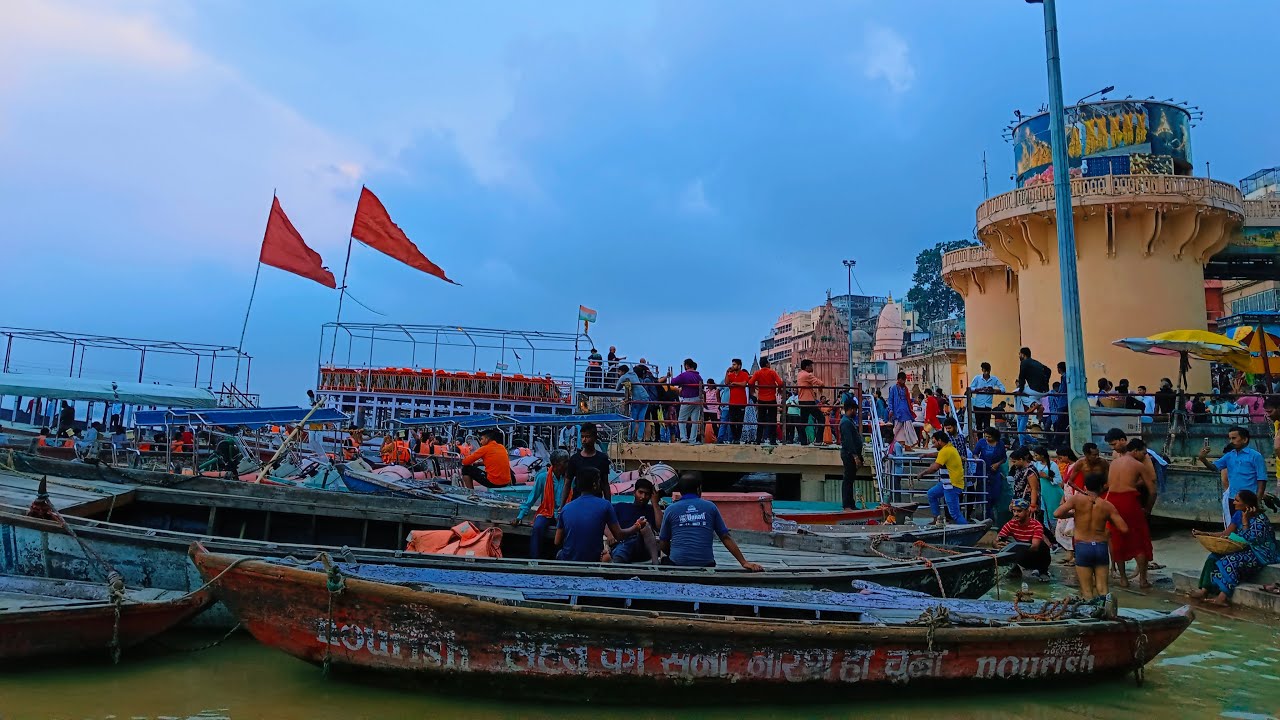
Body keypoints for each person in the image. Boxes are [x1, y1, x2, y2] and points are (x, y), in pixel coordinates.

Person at [1191, 489, 1279, 606]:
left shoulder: (1261, 520)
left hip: (1262, 554)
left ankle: (1222, 597)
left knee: (1229, 561)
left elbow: (1250, 539)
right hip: (1245, 549)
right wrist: (1204, 533)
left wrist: (1245, 521)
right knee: (1213, 557)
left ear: (1247, 505)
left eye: (1237, 500)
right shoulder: (1239, 514)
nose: (1234, 503)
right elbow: (1226, 533)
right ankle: (1204, 590)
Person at [659, 474, 763, 571]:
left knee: (663, 557)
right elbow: (725, 537)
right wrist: (743, 562)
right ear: (699, 489)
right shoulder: (710, 507)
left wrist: (675, 554)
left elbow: (663, 542)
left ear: (680, 491)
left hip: (677, 564)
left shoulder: (670, 509)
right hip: (706, 564)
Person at [1053, 471, 1127, 600]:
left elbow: (1057, 513)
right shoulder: (1107, 505)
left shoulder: (1077, 500)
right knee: (1103, 589)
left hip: (1083, 546)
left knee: (1087, 591)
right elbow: (1124, 528)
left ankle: (1091, 615)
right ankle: (1106, 613)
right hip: (1100, 547)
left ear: (1085, 486)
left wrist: (1074, 514)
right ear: (1103, 487)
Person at [555, 468, 643, 562]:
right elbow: (619, 535)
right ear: (595, 484)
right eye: (599, 481)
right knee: (606, 557)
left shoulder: (566, 508)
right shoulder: (605, 505)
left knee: (559, 553)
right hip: (593, 560)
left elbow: (557, 541)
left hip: (569, 560)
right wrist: (637, 526)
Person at [1107, 438, 1157, 589]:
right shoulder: (1138, 465)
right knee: (1139, 540)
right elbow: (1153, 491)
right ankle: (1143, 580)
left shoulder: (1114, 463)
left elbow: (1110, 485)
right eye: (1143, 452)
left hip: (1113, 501)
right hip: (1129, 501)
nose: (1144, 455)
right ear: (1135, 450)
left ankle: (1123, 579)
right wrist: (1148, 508)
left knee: (1117, 539)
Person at [1198, 425, 1268, 528]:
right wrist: (1203, 459)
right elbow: (1214, 467)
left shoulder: (1255, 456)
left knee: (1249, 526)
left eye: (1234, 438)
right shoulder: (1229, 455)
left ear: (1244, 439)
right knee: (1235, 526)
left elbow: (1262, 479)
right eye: (1230, 438)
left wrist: (1258, 499)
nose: (1231, 441)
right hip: (1233, 498)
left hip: (1249, 499)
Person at [514, 449, 571, 559]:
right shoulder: (542, 478)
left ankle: (562, 558)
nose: (568, 464)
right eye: (565, 462)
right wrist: (520, 516)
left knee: (567, 529)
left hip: (564, 513)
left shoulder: (570, 479)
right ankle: (534, 559)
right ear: (556, 464)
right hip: (547, 511)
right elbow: (531, 498)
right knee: (538, 526)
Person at [916, 431, 965, 525]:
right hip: (946, 484)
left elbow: (935, 468)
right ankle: (936, 519)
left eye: (934, 442)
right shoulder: (949, 448)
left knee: (955, 514)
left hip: (952, 485)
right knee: (931, 494)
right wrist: (926, 455)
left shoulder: (945, 451)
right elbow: (938, 454)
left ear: (939, 441)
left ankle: (969, 531)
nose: (933, 445)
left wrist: (922, 473)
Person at [610, 477, 663, 564]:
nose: (643, 497)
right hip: (624, 542)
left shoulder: (652, 510)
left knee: (644, 525)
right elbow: (606, 522)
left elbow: (660, 527)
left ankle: (655, 563)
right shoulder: (621, 507)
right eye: (640, 492)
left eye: (647, 494)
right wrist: (610, 535)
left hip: (643, 547)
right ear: (634, 492)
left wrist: (655, 503)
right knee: (626, 545)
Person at [997, 498, 1051, 581]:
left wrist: (1014, 548)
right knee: (1002, 548)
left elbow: (1035, 546)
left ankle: (1042, 571)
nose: (1015, 514)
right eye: (1014, 511)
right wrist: (999, 544)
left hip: (1036, 555)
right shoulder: (1011, 524)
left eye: (1019, 511)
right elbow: (997, 540)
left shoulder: (1036, 525)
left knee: (1042, 545)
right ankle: (1015, 570)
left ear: (1027, 511)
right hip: (1022, 554)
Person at [1014, 347, 1052, 448]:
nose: (1019, 356)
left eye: (1019, 354)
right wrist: (1045, 381)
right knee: (1032, 395)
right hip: (1045, 390)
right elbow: (1049, 370)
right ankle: (1038, 406)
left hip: (1035, 390)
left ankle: (1034, 405)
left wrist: (1021, 389)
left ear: (1023, 354)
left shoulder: (1024, 363)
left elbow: (1021, 377)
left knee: (1020, 392)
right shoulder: (1037, 363)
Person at [567, 422, 613, 500]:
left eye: (587, 437)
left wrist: (608, 503)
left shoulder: (602, 459)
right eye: (582, 437)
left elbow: (605, 484)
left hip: (596, 501)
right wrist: (562, 505)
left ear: (595, 438)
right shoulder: (574, 459)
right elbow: (567, 483)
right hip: (578, 500)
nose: (584, 440)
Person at [1031, 446, 1064, 546]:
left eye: (1036, 455)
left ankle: (1059, 539)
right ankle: (1051, 540)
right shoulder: (1036, 465)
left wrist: (1047, 477)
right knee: (1044, 514)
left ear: (1042, 455)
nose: (1035, 457)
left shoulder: (1053, 465)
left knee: (1053, 514)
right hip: (1042, 492)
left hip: (1053, 492)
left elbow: (1058, 480)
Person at [973, 427, 1007, 518]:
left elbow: (1004, 458)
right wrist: (977, 459)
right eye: (986, 436)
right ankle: (985, 514)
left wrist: (997, 464)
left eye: (989, 437)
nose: (987, 438)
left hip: (994, 472)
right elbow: (975, 453)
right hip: (982, 470)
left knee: (995, 493)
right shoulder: (981, 442)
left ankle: (992, 512)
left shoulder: (1000, 444)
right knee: (983, 493)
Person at [749, 357, 784, 445]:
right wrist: (778, 389)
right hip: (771, 399)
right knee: (773, 420)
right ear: (767, 364)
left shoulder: (757, 373)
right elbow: (780, 383)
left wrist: (754, 388)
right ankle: (773, 440)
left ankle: (758, 440)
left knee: (760, 420)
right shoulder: (772, 372)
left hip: (761, 399)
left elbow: (750, 383)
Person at [670, 359, 704, 444]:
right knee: (695, 421)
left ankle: (683, 438)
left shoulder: (684, 375)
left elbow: (673, 382)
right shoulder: (698, 376)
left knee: (681, 419)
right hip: (697, 399)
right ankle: (693, 440)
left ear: (686, 366)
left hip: (688, 399)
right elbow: (702, 387)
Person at [838, 400, 864, 511]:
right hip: (848, 455)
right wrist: (855, 456)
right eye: (855, 410)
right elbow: (848, 441)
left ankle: (850, 504)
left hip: (851, 454)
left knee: (850, 479)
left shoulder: (848, 421)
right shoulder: (845, 423)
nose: (856, 412)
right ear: (851, 409)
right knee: (848, 479)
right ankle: (847, 505)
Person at [968, 362, 1005, 434]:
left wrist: (993, 390)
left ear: (990, 370)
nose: (986, 373)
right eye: (985, 371)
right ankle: (980, 440)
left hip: (987, 405)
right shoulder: (977, 378)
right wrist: (979, 389)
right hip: (978, 405)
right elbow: (970, 388)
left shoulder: (994, 379)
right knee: (978, 425)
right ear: (982, 370)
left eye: (987, 371)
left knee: (987, 426)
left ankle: (987, 441)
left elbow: (1003, 389)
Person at [794, 359, 824, 446]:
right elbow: (821, 383)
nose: (812, 368)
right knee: (821, 418)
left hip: (802, 401)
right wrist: (820, 387)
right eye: (811, 366)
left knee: (803, 422)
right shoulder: (807, 375)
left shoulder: (800, 374)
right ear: (807, 367)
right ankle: (818, 440)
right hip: (809, 401)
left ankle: (803, 441)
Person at [616, 364, 649, 442]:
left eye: (619, 371)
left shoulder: (624, 377)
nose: (618, 373)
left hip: (636, 399)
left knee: (633, 419)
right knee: (641, 419)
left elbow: (617, 388)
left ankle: (630, 437)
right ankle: (639, 438)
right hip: (645, 397)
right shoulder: (634, 374)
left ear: (623, 372)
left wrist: (622, 383)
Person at [885, 371, 918, 447]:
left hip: (905, 410)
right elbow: (891, 400)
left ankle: (907, 445)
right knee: (898, 428)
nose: (904, 381)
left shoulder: (905, 388)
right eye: (903, 380)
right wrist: (891, 410)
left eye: (904, 380)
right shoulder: (893, 388)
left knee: (906, 427)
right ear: (899, 379)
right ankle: (889, 441)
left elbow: (907, 399)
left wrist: (913, 400)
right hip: (898, 411)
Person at [724, 359, 752, 444]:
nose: (733, 366)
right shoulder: (731, 374)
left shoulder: (744, 374)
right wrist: (727, 372)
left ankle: (737, 438)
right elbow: (726, 383)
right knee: (732, 421)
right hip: (732, 402)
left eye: (734, 364)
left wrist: (735, 383)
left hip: (741, 402)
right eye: (732, 364)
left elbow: (744, 384)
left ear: (739, 366)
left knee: (740, 421)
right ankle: (735, 438)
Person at [1009, 447, 1041, 512]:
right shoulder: (1019, 469)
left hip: (1027, 503)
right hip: (1018, 502)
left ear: (1021, 459)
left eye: (1014, 461)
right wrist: (1012, 502)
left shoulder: (1030, 471)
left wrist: (1033, 505)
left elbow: (1034, 489)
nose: (1013, 464)